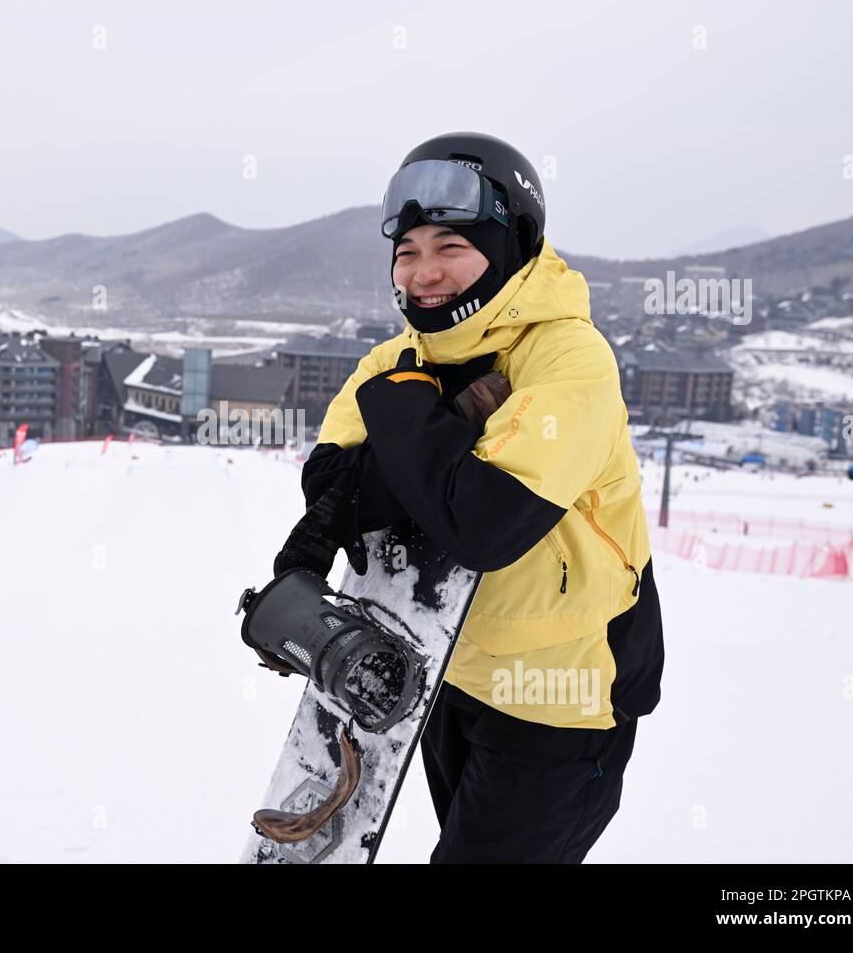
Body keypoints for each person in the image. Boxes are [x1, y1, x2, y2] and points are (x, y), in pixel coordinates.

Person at [274, 133, 664, 863]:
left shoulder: (567, 358)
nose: (424, 273)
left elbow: (484, 523)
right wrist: (442, 441)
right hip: (448, 669)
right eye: (408, 250)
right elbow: (336, 494)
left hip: (560, 698)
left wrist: (404, 414)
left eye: (449, 246)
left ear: (510, 241)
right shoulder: (398, 360)